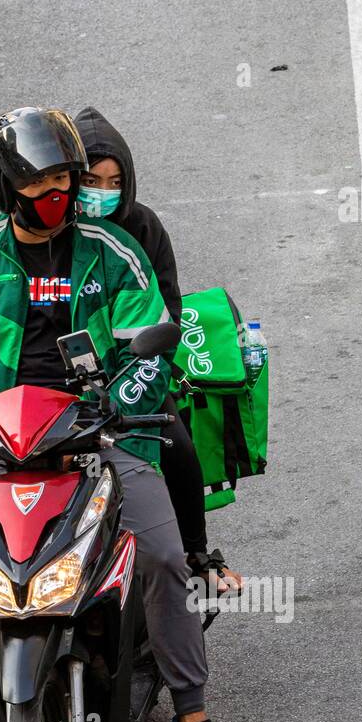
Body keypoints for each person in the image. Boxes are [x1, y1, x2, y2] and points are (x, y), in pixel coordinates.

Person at [0, 107, 267, 722]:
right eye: (41, 179)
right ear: (6, 187)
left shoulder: (113, 255)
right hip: (3, 443)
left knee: (163, 559)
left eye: (64, 176)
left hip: (102, 434)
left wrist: (118, 400)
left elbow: (152, 349)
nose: (57, 192)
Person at [73, 105, 242, 597]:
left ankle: (196, 554)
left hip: (133, 369)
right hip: (60, 383)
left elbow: (166, 309)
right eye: (90, 179)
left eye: (112, 181)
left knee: (175, 446)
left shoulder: (144, 229)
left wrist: (126, 376)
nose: (101, 192)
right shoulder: (52, 236)